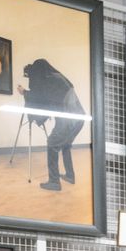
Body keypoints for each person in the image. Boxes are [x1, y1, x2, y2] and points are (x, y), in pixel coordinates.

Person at [19, 58, 85, 191]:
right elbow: (47, 98)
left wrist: (24, 92)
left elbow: (40, 98)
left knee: (52, 143)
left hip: (68, 119)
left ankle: (54, 182)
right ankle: (70, 175)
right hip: (79, 119)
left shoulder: (49, 81)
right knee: (65, 145)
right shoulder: (58, 77)